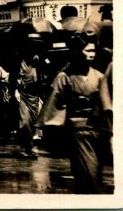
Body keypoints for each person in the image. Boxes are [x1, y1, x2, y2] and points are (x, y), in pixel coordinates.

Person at [39, 32, 107, 193]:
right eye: (87, 50)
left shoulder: (99, 76)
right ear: (78, 51)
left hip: (98, 130)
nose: (91, 54)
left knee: (94, 174)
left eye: (93, 51)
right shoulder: (65, 77)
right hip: (77, 130)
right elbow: (53, 104)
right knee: (87, 175)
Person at [16, 41, 43, 159]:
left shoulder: (39, 63)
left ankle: (29, 147)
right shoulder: (20, 63)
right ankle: (25, 146)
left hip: (35, 96)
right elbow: (14, 78)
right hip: (23, 95)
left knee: (32, 123)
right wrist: (15, 91)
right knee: (25, 122)